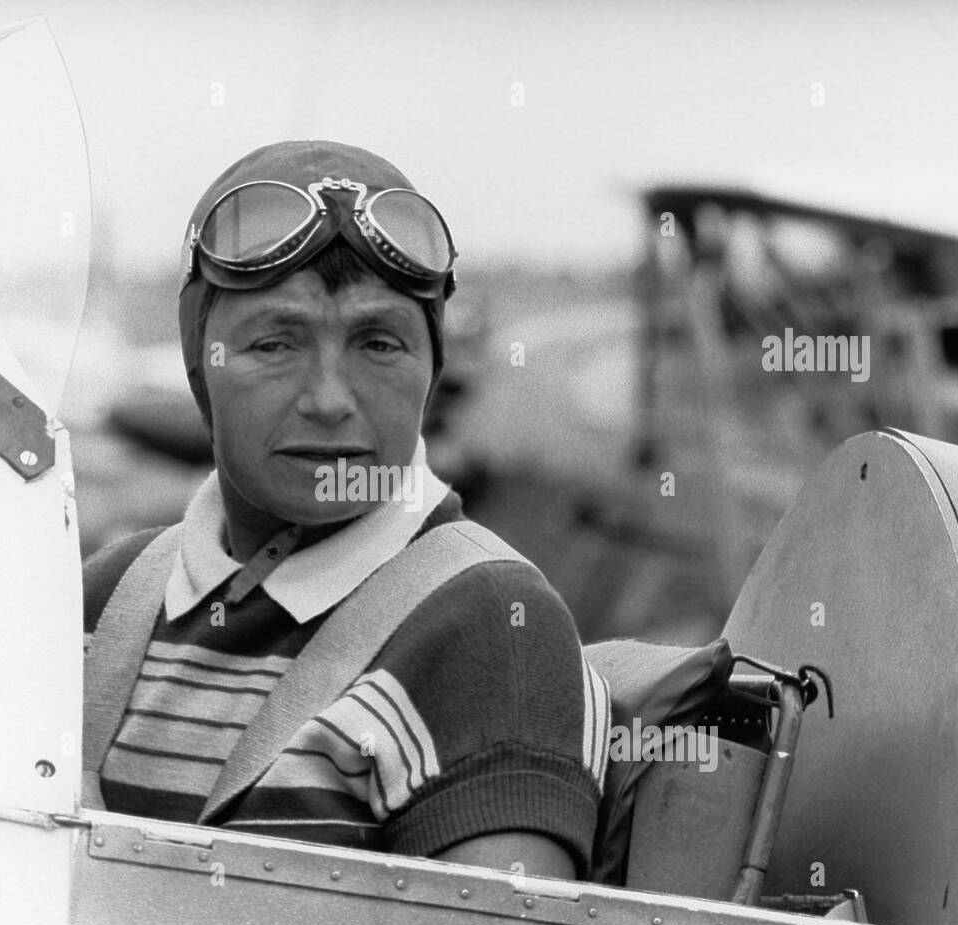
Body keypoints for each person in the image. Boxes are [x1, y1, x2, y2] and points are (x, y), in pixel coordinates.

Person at [83, 140, 609, 880]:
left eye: (379, 343)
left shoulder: (492, 630)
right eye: (275, 342)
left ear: (432, 368)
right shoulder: (100, 601)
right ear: (200, 363)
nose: (330, 399)